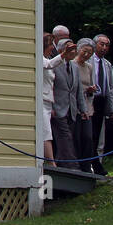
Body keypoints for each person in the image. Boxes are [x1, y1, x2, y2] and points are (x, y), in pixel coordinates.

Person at [51, 37, 82, 166]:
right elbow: (50, 87)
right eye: (69, 49)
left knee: (67, 137)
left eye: (74, 49)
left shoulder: (75, 66)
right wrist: (51, 106)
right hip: (58, 107)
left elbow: (77, 89)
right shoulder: (54, 65)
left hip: (71, 109)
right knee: (65, 136)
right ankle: (72, 165)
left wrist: (83, 109)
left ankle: (60, 164)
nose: (73, 52)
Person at [91, 34, 113, 175]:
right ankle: (92, 164)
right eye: (102, 44)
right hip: (91, 99)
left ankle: (98, 163)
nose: (104, 47)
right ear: (95, 45)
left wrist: (111, 109)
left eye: (106, 45)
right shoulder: (89, 61)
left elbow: (110, 88)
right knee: (91, 134)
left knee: (99, 135)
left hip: (102, 101)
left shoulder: (107, 64)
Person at [42, 33, 66, 166]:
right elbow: (49, 65)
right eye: (51, 44)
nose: (52, 48)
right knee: (46, 133)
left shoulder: (46, 58)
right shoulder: (40, 58)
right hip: (41, 101)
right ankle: (51, 164)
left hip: (48, 102)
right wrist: (63, 55)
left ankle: (49, 162)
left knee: (47, 132)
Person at [74, 39, 98, 173]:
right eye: (85, 51)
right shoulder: (72, 64)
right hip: (75, 107)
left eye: (90, 52)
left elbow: (92, 84)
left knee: (88, 137)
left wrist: (91, 90)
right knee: (76, 137)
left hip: (87, 107)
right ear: (79, 49)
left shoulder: (89, 67)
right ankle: (76, 164)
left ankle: (86, 165)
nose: (87, 55)